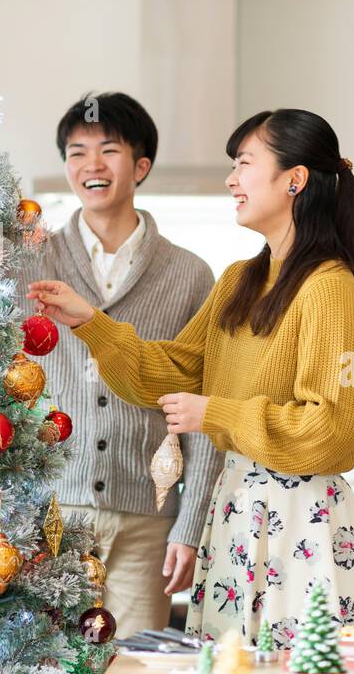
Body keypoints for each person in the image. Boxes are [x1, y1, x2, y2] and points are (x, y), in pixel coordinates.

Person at [27, 108, 354, 648]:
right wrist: (91, 324)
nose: (232, 180)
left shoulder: (329, 287)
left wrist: (213, 413)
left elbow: (331, 433)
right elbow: (168, 373)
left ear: (295, 179)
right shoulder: (241, 279)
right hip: (236, 510)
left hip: (297, 520)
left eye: (244, 163)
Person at [17, 93, 222, 639]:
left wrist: (191, 520)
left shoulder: (189, 275)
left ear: (141, 166)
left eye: (108, 150)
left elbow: (204, 412)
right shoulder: (31, 263)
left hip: (147, 519)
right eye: (77, 152)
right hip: (50, 511)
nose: (91, 166)